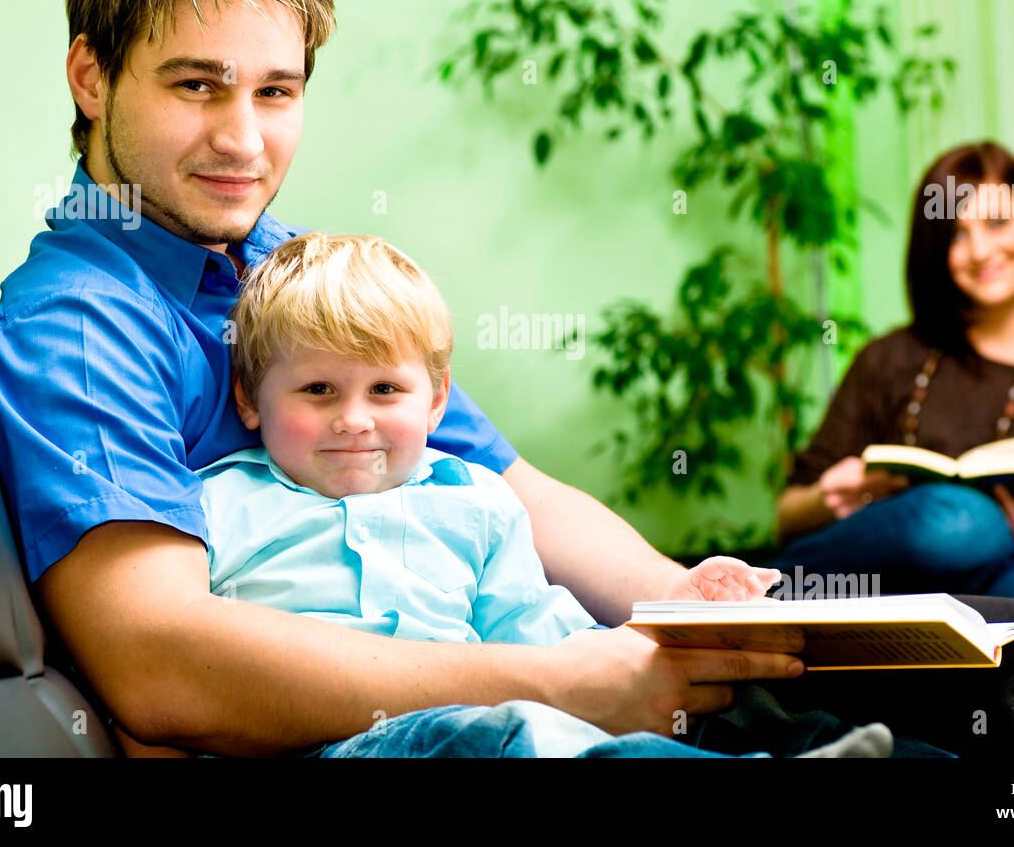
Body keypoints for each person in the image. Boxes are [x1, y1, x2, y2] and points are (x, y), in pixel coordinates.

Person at [0, 0, 1014, 759]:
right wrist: (574, 680)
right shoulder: (83, 324)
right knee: (1013, 678)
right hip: (482, 710)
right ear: (90, 74)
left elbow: (516, 488)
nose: (243, 138)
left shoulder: (291, 266)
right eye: (196, 86)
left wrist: (692, 609)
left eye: (276, 92)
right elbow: (162, 659)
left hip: (555, 647)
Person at [195, 230, 916, 758]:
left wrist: (673, 608)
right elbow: (188, 660)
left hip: (506, 718)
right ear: (249, 400)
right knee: (513, 732)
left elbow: (537, 630)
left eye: (385, 389)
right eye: (317, 390)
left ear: (438, 401)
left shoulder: (474, 501)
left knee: (596, 735)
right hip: (331, 745)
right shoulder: (218, 502)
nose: (354, 419)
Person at [773, 142, 1014, 606]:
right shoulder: (889, 358)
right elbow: (786, 518)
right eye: (955, 235)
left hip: (1010, 581)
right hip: (877, 578)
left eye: (996, 223)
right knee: (966, 523)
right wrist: (825, 499)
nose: (980, 251)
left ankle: (942, 646)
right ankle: (767, 588)